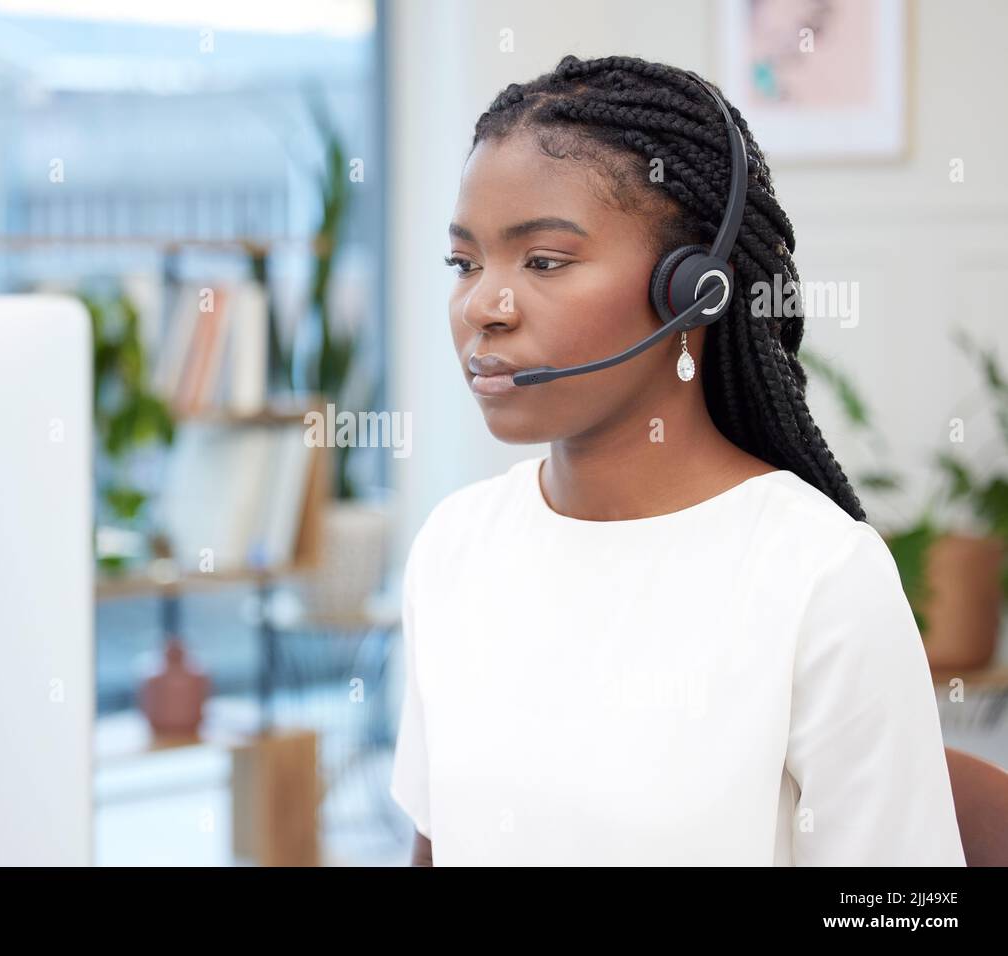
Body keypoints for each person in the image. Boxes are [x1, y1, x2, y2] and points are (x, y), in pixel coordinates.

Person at [388, 54, 965, 867]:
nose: (483, 305)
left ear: (692, 291)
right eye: (464, 263)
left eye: (544, 261)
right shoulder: (454, 545)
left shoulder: (820, 579)